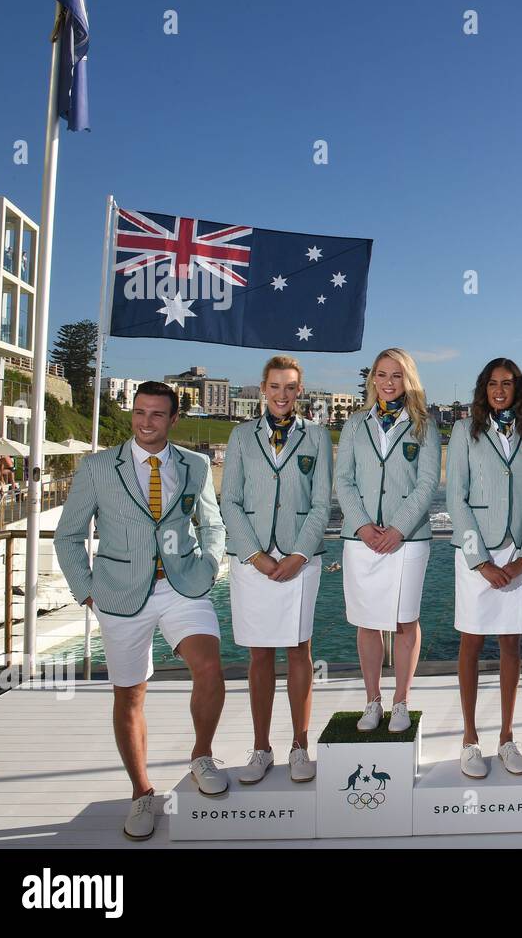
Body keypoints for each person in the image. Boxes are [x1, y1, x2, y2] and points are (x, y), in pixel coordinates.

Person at [54, 381, 228, 840]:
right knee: (130, 695)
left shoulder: (195, 465)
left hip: (182, 586)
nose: (145, 422)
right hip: (118, 596)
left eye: (156, 415)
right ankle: (141, 792)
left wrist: (211, 565)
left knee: (210, 668)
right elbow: (68, 535)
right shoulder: (97, 467)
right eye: (139, 412)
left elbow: (211, 521)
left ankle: (202, 756)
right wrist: (86, 591)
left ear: (173, 420)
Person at [221, 356, 332, 785]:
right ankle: (261, 747)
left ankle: (300, 746)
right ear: (262, 389)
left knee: (300, 650)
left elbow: (322, 503)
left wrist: (298, 554)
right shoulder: (240, 436)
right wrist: (257, 555)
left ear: (299, 391)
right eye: (274, 386)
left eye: (290, 387)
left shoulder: (318, 438)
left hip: (300, 562)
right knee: (259, 654)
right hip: (253, 564)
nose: (282, 395)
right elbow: (229, 500)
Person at [446, 358, 522, 778]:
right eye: (492, 383)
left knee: (511, 645)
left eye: (507, 383)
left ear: (518, 389)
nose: (499, 390)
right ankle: (470, 739)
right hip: (478, 556)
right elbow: (457, 498)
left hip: (518, 554)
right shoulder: (462, 431)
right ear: (483, 389)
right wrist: (481, 561)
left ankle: (506, 736)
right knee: (471, 643)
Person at [335, 348, 440, 732]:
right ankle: (373, 701)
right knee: (367, 622)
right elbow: (343, 480)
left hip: (408, 541)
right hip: (361, 540)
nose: (388, 382)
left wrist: (397, 529)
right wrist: (363, 526)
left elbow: (427, 484)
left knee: (404, 621)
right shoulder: (354, 424)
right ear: (372, 379)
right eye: (381, 374)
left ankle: (401, 702)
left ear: (408, 380)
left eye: (396, 375)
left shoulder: (425, 425)